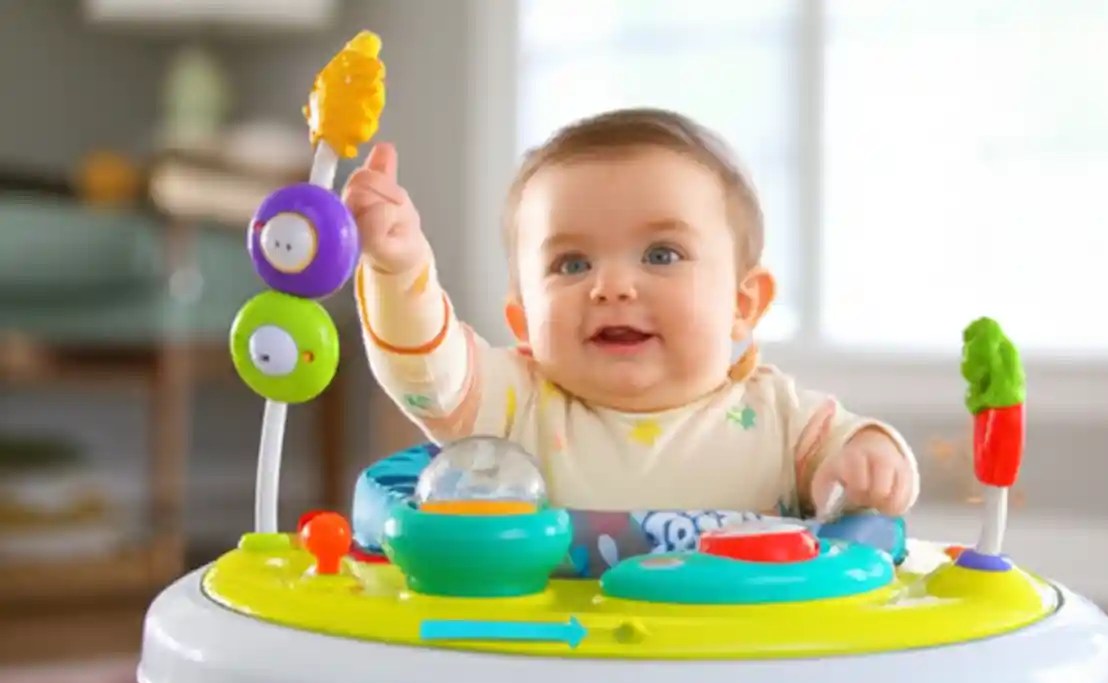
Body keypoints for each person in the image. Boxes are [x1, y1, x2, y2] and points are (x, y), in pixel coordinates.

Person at [344, 107, 918, 522]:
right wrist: (397, 269)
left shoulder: (785, 422)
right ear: (522, 325)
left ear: (742, 306)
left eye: (661, 255)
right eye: (571, 264)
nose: (611, 286)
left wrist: (871, 460)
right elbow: (425, 373)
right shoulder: (512, 405)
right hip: (554, 669)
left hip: (733, 670)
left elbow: (857, 453)